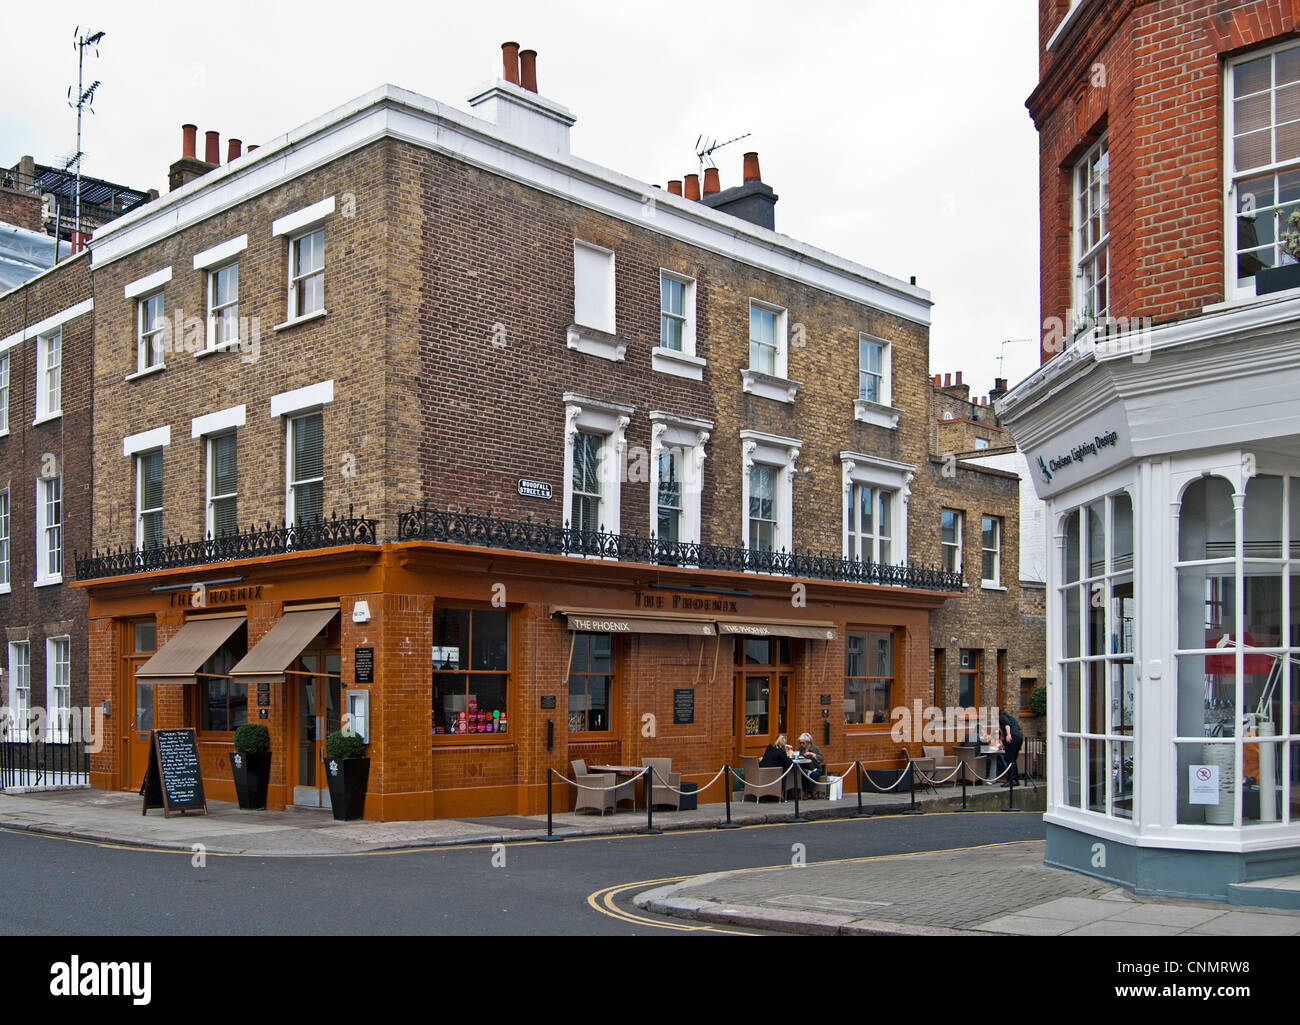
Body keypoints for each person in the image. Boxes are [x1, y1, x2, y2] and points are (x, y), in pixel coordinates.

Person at [760, 734, 797, 798]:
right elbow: (789, 763)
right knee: (786, 770)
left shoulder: (769, 747)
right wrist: (790, 755)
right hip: (775, 775)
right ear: (783, 744)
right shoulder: (781, 752)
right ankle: (782, 793)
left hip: (763, 773)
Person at [796, 732, 826, 798]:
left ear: (808, 742)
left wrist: (813, 754)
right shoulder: (800, 749)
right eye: (800, 743)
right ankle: (806, 792)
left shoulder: (815, 748)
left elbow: (821, 759)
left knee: (813, 775)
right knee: (803, 775)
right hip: (805, 768)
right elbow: (798, 756)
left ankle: (810, 791)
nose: (801, 744)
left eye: (803, 743)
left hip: (815, 768)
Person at [999, 709, 1024, 787]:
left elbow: (1007, 725)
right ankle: (1015, 779)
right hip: (1019, 737)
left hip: (1012, 737)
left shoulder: (1002, 717)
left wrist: (1008, 735)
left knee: (1009, 759)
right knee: (1013, 760)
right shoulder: (1012, 718)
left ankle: (1011, 780)